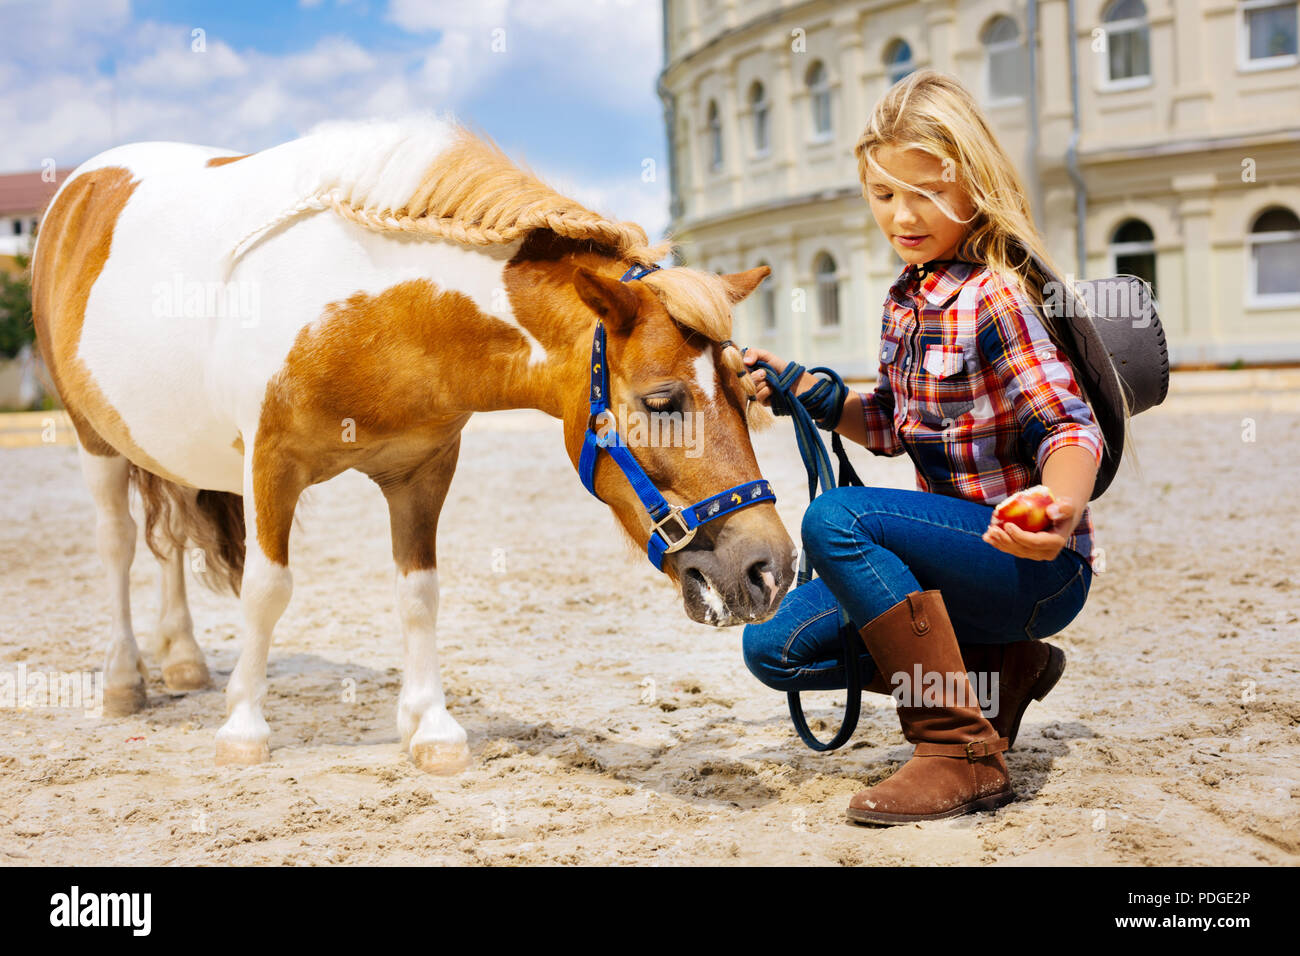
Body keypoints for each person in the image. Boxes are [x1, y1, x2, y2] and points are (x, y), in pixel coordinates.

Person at [741, 70, 1119, 826]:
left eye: (926, 193)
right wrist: (812, 394)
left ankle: (961, 752)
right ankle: (1002, 671)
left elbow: (1069, 426)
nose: (902, 215)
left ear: (974, 187)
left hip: (1030, 567)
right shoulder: (906, 298)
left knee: (837, 520)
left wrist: (1060, 504)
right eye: (884, 195)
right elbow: (888, 425)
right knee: (776, 648)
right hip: (953, 567)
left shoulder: (996, 293)